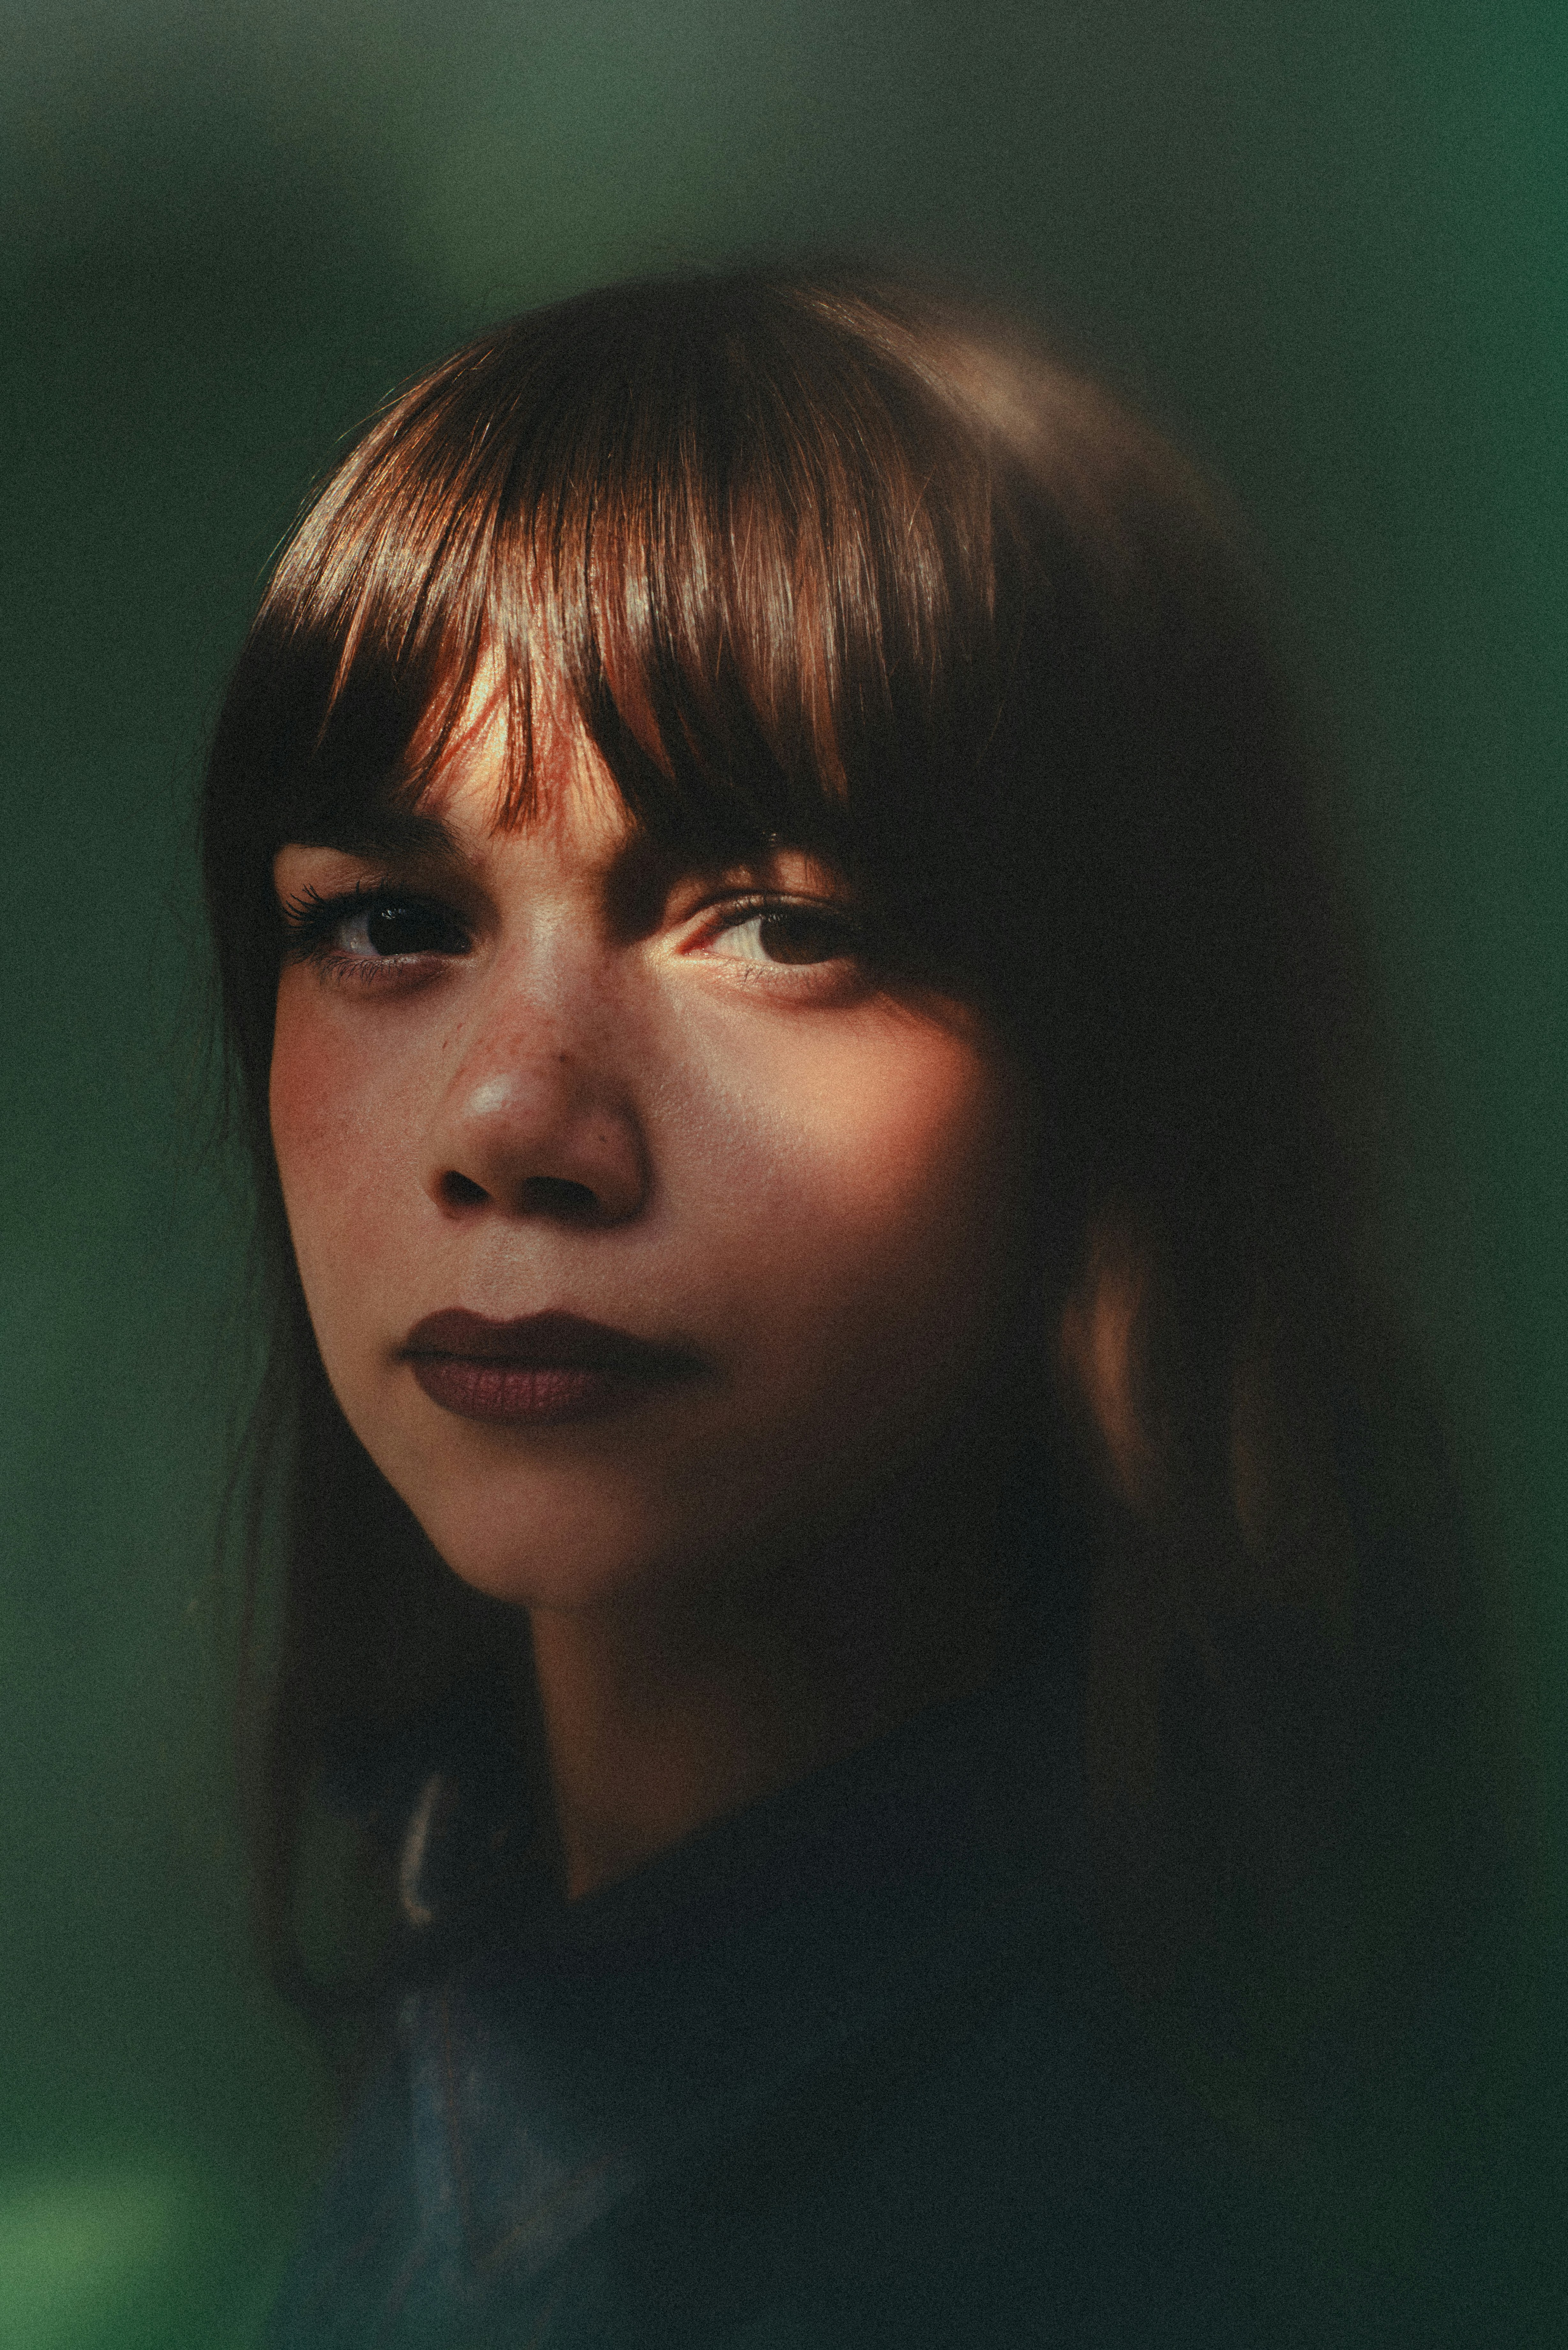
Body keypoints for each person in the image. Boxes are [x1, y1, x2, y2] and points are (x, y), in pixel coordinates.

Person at [200, 267, 1511, 2347]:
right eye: (390, 922)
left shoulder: (1166, 2228)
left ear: (1128, 1057)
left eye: (779, 923)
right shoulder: (495, 1961)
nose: (515, 1120)